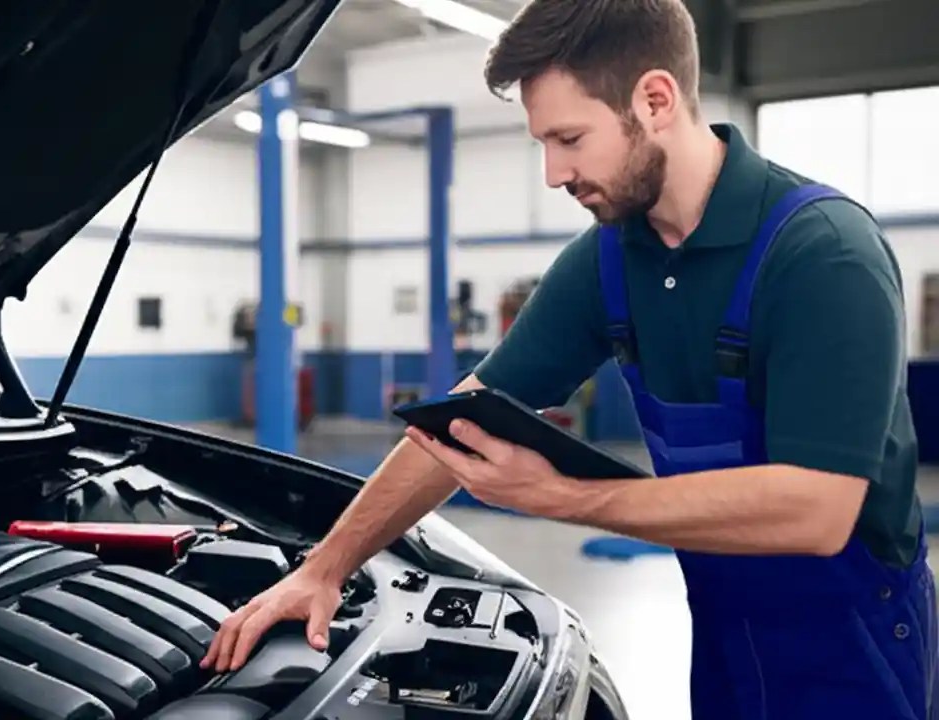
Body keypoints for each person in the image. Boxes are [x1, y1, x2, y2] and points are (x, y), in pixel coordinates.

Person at [202, 0, 938, 716]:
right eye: (543, 145)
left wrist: (563, 498)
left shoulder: (823, 255)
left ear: (654, 99)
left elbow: (816, 512)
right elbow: (454, 425)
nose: (554, 173)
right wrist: (324, 570)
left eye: (570, 138)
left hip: (854, 642)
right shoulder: (609, 262)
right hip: (724, 626)